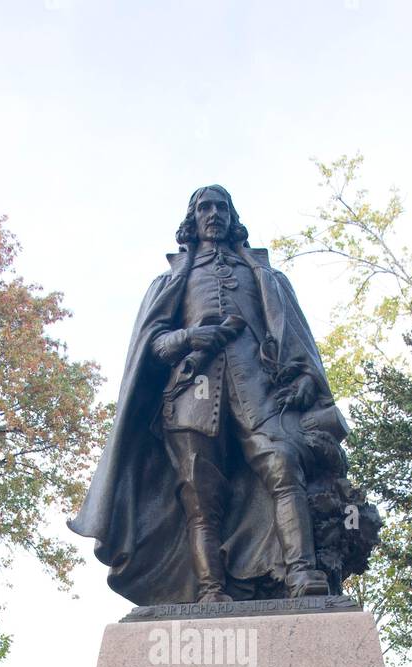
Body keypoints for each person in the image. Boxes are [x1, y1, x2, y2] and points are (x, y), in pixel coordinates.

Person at [69, 185, 350, 604]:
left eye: (221, 207)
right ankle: (210, 590)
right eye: (204, 207)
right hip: (191, 395)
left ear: (233, 217)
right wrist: (192, 336)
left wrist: (308, 381)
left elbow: (296, 340)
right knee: (199, 497)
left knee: (283, 465)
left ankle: (301, 573)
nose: (213, 213)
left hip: (260, 391)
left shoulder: (264, 276)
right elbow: (155, 343)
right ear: (193, 219)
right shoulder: (172, 279)